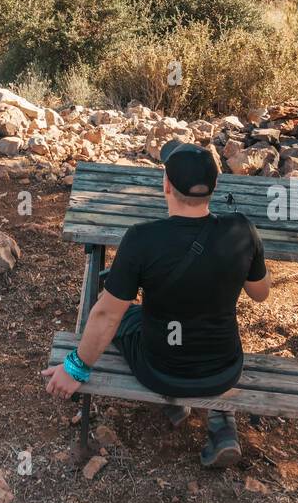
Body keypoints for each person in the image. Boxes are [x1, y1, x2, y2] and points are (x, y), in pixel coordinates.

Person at [42, 140, 271, 467]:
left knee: (120, 318)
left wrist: (74, 367)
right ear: (215, 187)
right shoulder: (241, 230)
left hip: (161, 371)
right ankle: (221, 419)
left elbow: (107, 316)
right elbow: (260, 293)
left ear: (165, 185)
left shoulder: (141, 239)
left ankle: (176, 404)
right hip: (224, 370)